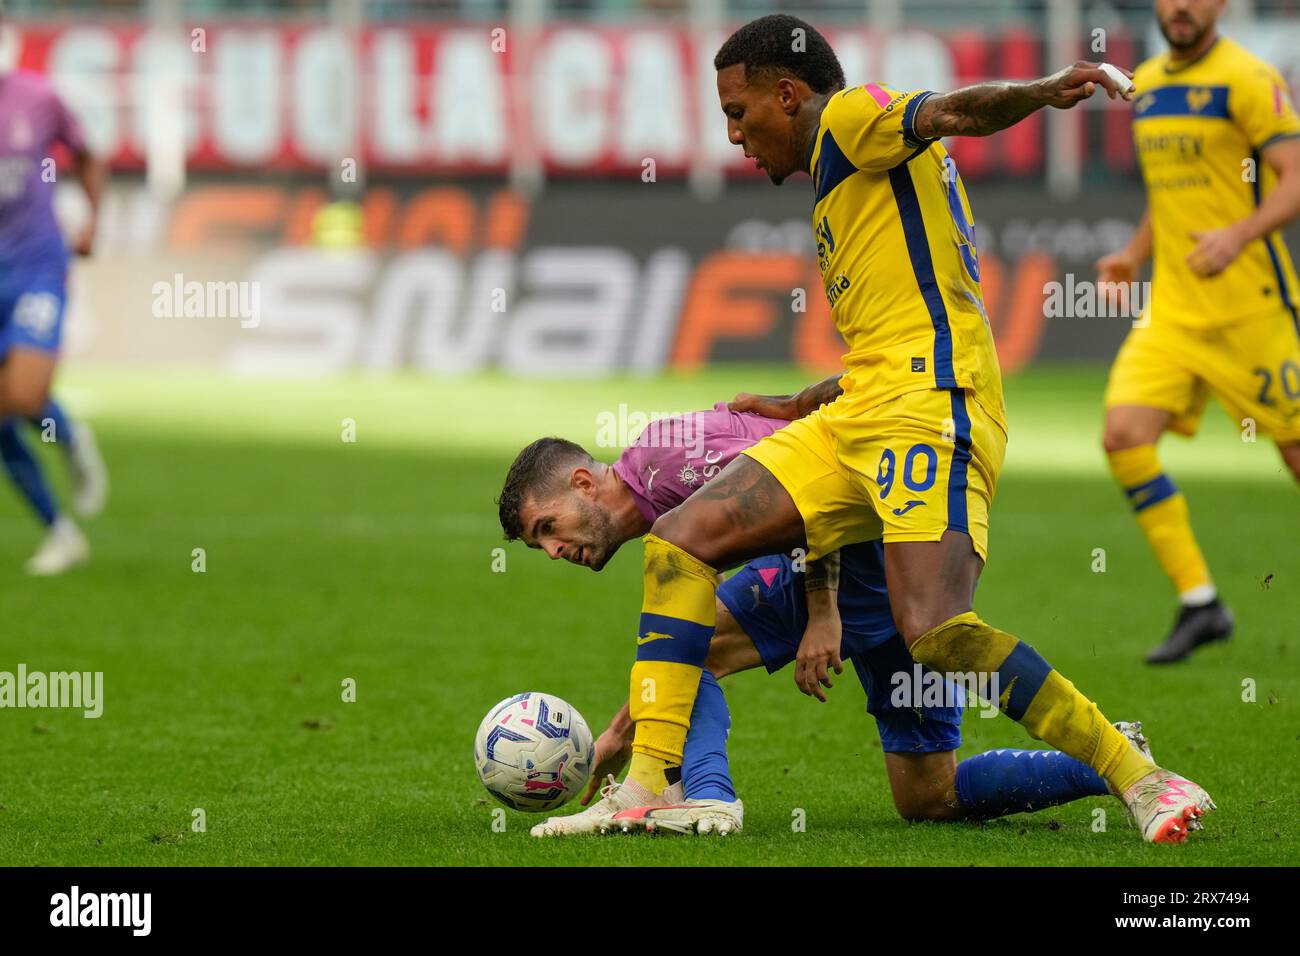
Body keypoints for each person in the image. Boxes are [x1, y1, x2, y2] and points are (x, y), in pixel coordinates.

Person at [598, 13, 1211, 845]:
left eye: (740, 113)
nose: (735, 135)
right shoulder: (841, 175)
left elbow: (954, 111)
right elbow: (893, 322)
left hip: (934, 406)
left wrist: (1040, 92)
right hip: (862, 407)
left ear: (789, 93)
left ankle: (1138, 777)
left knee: (937, 632)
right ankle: (647, 789)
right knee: (681, 538)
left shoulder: (851, 119)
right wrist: (804, 399)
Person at [498, 406, 1152, 838]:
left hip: (856, 567)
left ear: (584, 484)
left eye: (547, 529)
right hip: (895, 573)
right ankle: (1107, 762)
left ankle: (706, 797)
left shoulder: (667, 466)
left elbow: (815, 486)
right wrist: (619, 735)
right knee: (930, 796)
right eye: (539, 548)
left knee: (694, 649)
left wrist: (821, 613)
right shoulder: (665, 474)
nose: (556, 552)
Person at [1096, 0, 1300, 663]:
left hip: (1253, 311)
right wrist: (1133, 253)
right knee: (1124, 436)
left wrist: (1239, 235)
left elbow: (1295, 176)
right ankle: (1200, 603)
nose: (1180, 6)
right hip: (1175, 314)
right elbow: (1174, 197)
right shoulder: (1147, 84)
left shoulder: (1247, 78)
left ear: (1220, 6)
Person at [0, 9, 109, 573]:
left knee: (20, 398)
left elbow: (88, 155)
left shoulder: (38, 98)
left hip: (36, 266)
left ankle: (67, 437)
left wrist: (93, 219)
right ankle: (61, 532)